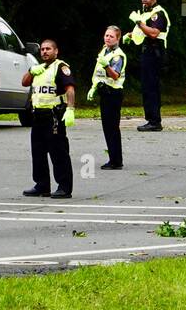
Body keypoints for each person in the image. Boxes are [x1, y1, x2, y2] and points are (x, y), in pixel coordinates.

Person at [21, 39, 76, 199]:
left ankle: (64, 187)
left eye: (48, 49)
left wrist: (71, 108)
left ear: (56, 51)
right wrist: (31, 71)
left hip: (54, 115)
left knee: (58, 152)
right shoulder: (39, 69)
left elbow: (70, 89)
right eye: (43, 49)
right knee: (37, 152)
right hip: (38, 115)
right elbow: (24, 82)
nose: (45, 51)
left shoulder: (61, 67)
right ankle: (42, 185)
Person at [127, 0, 169, 131]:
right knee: (146, 87)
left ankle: (154, 121)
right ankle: (151, 119)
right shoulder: (146, 14)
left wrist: (139, 23)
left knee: (151, 87)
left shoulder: (157, 14)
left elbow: (153, 33)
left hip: (154, 51)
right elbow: (142, 33)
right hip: (147, 52)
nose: (144, 0)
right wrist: (131, 35)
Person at [88, 25, 127, 170]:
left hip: (113, 93)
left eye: (111, 36)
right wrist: (93, 87)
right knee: (107, 127)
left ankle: (116, 160)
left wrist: (106, 66)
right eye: (106, 35)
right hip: (104, 92)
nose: (108, 38)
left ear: (118, 38)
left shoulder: (117, 55)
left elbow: (115, 75)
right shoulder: (104, 51)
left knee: (112, 128)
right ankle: (113, 157)